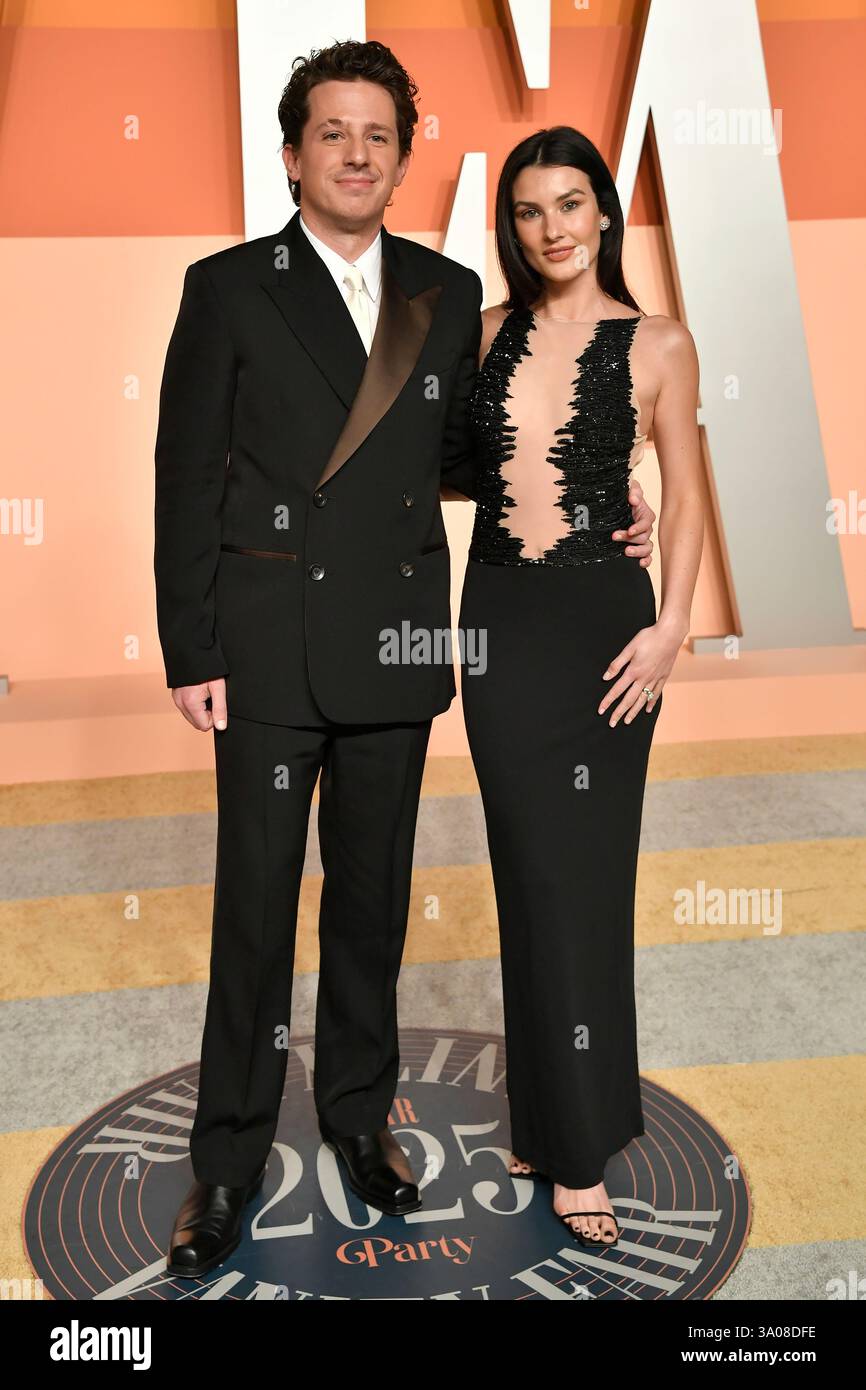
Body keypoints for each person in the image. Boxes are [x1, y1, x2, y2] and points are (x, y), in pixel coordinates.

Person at [154, 39, 657, 1278]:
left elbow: (470, 458)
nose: (358, 152)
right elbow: (185, 474)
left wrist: (606, 507)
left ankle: (358, 1122)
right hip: (266, 655)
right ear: (292, 155)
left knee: (371, 908)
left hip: (394, 650)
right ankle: (222, 1168)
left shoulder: (441, 295)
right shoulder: (226, 288)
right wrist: (189, 642)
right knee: (253, 917)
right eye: (333, 132)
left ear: (401, 154)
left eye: (379, 134)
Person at [452, 126, 703, 1249]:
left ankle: (580, 1141)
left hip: (606, 631)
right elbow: (450, 469)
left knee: (588, 878)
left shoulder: (658, 342)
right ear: (509, 228)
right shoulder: (484, 335)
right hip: (500, 628)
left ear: (602, 212)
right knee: (527, 870)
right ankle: (548, 1110)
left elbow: (687, 498)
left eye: (568, 204)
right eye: (526, 211)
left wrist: (669, 631)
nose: (549, 228)